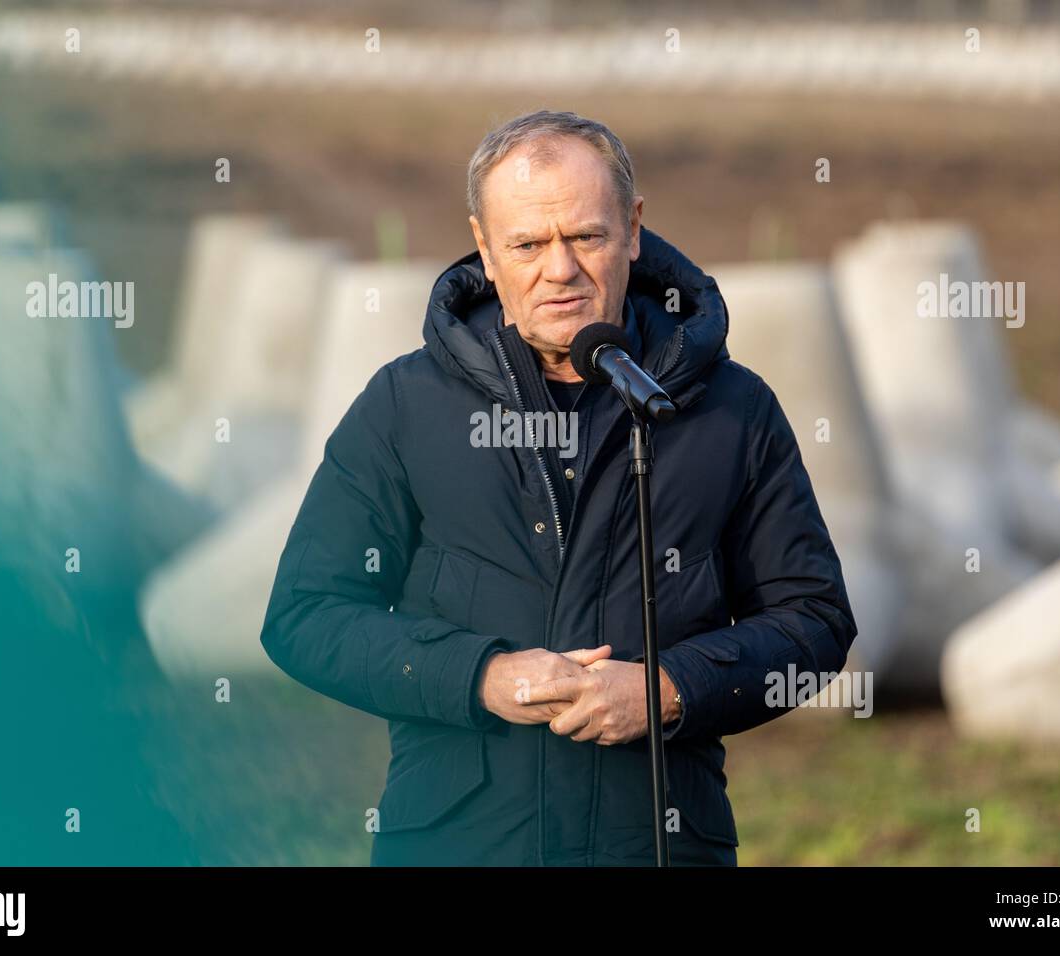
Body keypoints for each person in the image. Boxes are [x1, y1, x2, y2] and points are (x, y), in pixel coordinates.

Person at [260, 109, 857, 866]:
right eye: (528, 244)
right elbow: (305, 616)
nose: (560, 269)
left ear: (633, 229)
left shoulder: (733, 410)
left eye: (586, 236)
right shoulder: (405, 406)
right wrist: (482, 675)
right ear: (484, 246)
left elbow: (815, 621)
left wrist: (667, 689)